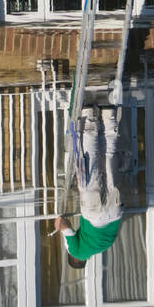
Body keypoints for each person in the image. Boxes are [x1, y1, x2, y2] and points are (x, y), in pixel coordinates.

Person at [54, 107, 122, 267]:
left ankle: (109, 118)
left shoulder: (103, 247)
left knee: (109, 160)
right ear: (74, 259)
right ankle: (89, 118)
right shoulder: (75, 252)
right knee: (90, 167)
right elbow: (65, 227)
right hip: (94, 214)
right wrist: (58, 223)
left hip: (115, 212)